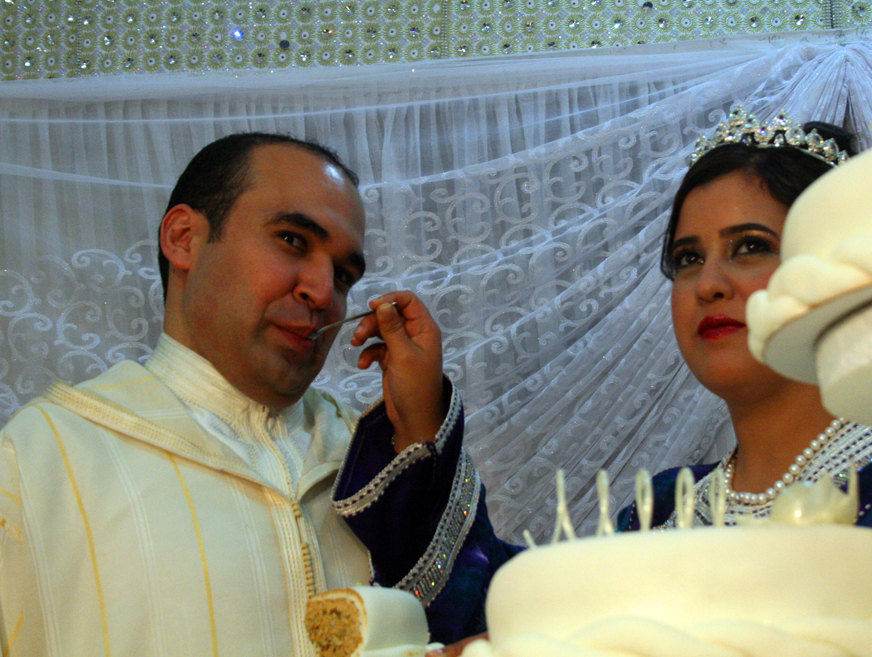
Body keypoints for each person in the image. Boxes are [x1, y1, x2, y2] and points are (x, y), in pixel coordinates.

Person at [0, 132, 512, 655]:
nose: (322, 292)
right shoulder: (39, 462)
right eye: (292, 239)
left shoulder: (375, 462)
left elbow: (480, 617)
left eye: (343, 275)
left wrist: (420, 429)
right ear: (183, 238)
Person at [616, 108, 872, 621]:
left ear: (828, 276)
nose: (708, 283)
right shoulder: (656, 511)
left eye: (750, 247)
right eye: (688, 258)